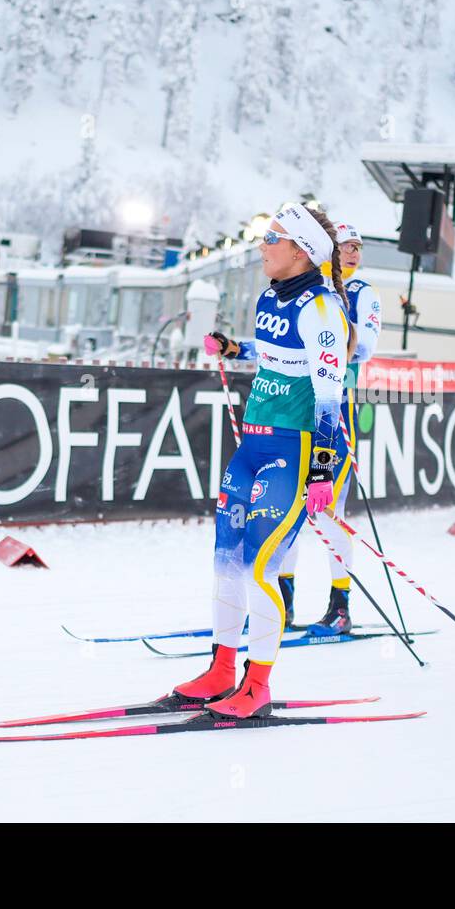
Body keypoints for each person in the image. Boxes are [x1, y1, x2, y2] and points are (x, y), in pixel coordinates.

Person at [168, 203, 350, 720]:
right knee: (225, 564)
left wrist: (320, 468)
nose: (262, 245)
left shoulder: (322, 309)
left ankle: (257, 684)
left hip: (291, 453)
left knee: (258, 567)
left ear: (300, 251)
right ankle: (221, 670)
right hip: (251, 447)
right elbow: (275, 353)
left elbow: (329, 394)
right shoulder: (273, 296)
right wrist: (234, 347)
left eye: (272, 238)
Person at [277, 222, 383, 635]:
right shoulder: (305, 289)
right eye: (345, 247)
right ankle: (282, 604)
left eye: (358, 247)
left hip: (335, 415)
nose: (353, 253)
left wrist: (327, 330)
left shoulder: (360, 294)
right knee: (287, 514)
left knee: (327, 517)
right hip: (296, 412)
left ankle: (340, 607)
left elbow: (367, 347)